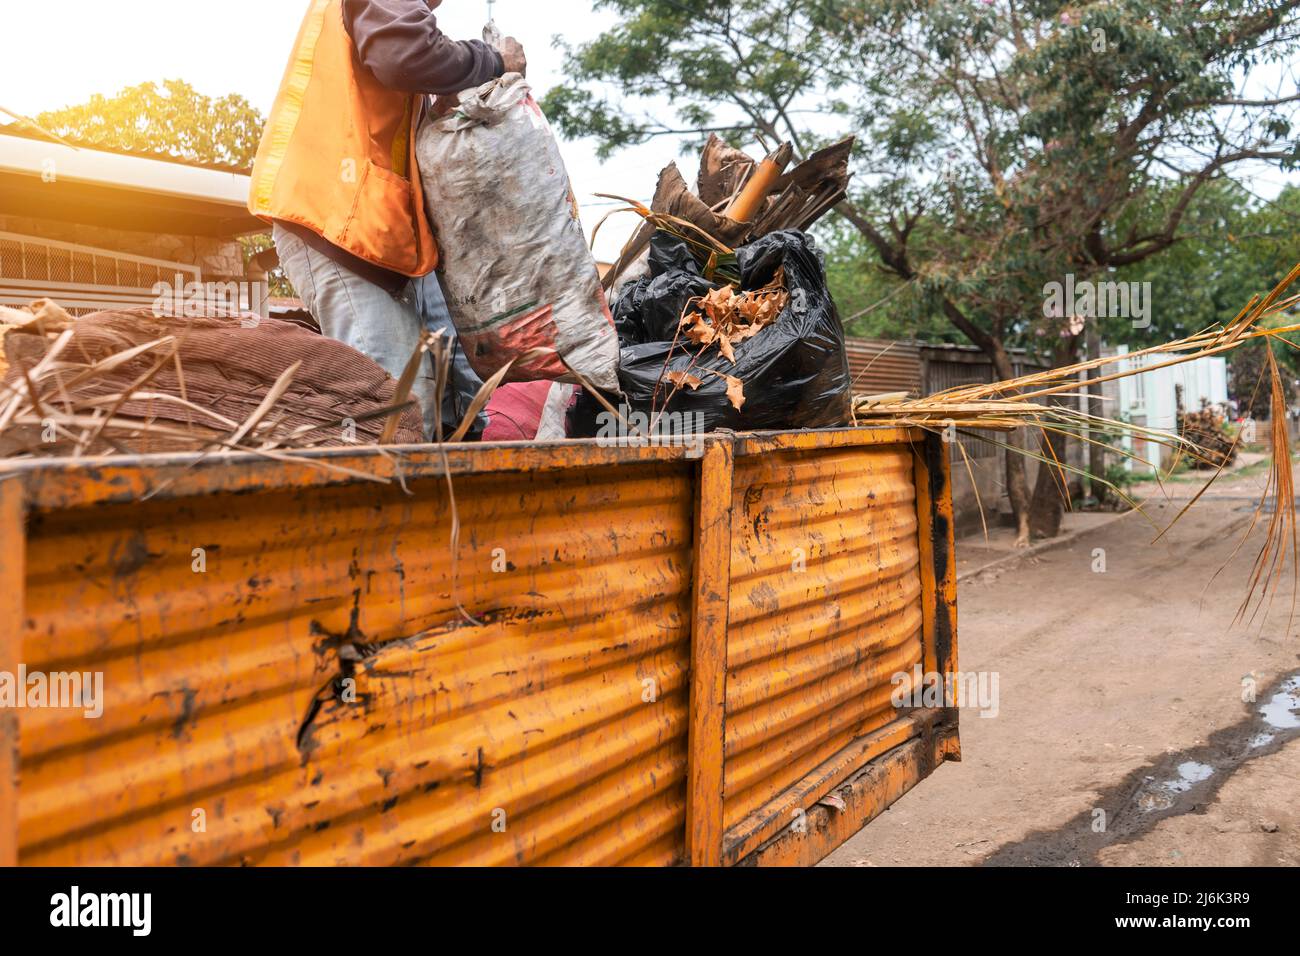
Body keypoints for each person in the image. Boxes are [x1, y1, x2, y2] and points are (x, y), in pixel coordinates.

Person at [248, 0, 527, 439]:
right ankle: (400, 501)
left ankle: (455, 494)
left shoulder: (396, 18)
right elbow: (407, 56)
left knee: (458, 389)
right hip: (334, 222)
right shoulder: (393, 14)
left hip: (382, 234)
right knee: (397, 405)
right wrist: (492, 61)